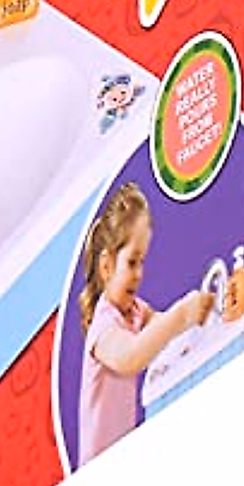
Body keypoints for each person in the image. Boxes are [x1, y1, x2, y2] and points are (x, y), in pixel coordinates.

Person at [77, 183, 213, 465]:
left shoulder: (136, 311)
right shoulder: (103, 326)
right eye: (132, 262)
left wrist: (201, 313)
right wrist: (181, 315)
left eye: (142, 262)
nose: (139, 274)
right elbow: (130, 357)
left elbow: (165, 332)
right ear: (106, 266)